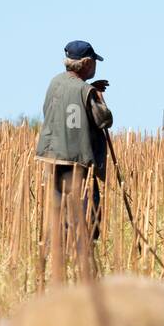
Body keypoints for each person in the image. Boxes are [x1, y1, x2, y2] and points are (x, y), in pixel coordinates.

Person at [35, 40, 112, 240]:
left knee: (58, 207)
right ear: (86, 63)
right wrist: (98, 96)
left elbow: (52, 108)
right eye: (94, 61)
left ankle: (59, 247)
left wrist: (88, 89)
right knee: (88, 209)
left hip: (52, 156)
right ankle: (86, 247)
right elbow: (104, 120)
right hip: (77, 160)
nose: (95, 65)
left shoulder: (55, 82)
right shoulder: (86, 91)